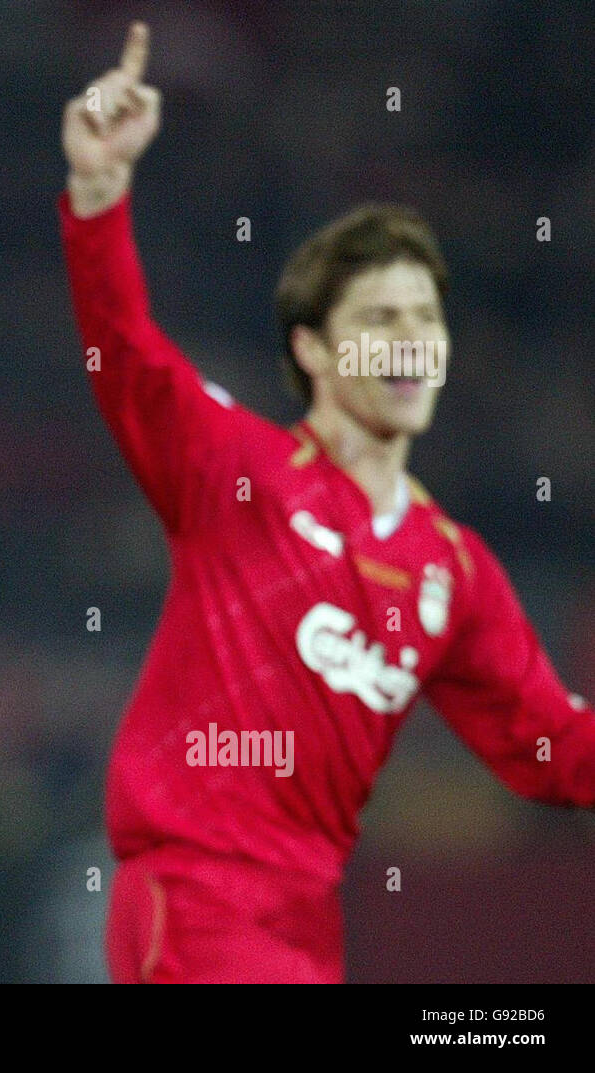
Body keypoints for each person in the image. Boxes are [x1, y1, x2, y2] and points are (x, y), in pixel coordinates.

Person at [58, 23, 592, 983]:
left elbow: (548, 747)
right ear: (312, 349)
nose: (410, 342)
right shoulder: (240, 471)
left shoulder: (453, 568)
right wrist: (99, 194)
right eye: (380, 318)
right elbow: (127, 352)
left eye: (426, 319)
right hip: (196, 896)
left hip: (309, 924)